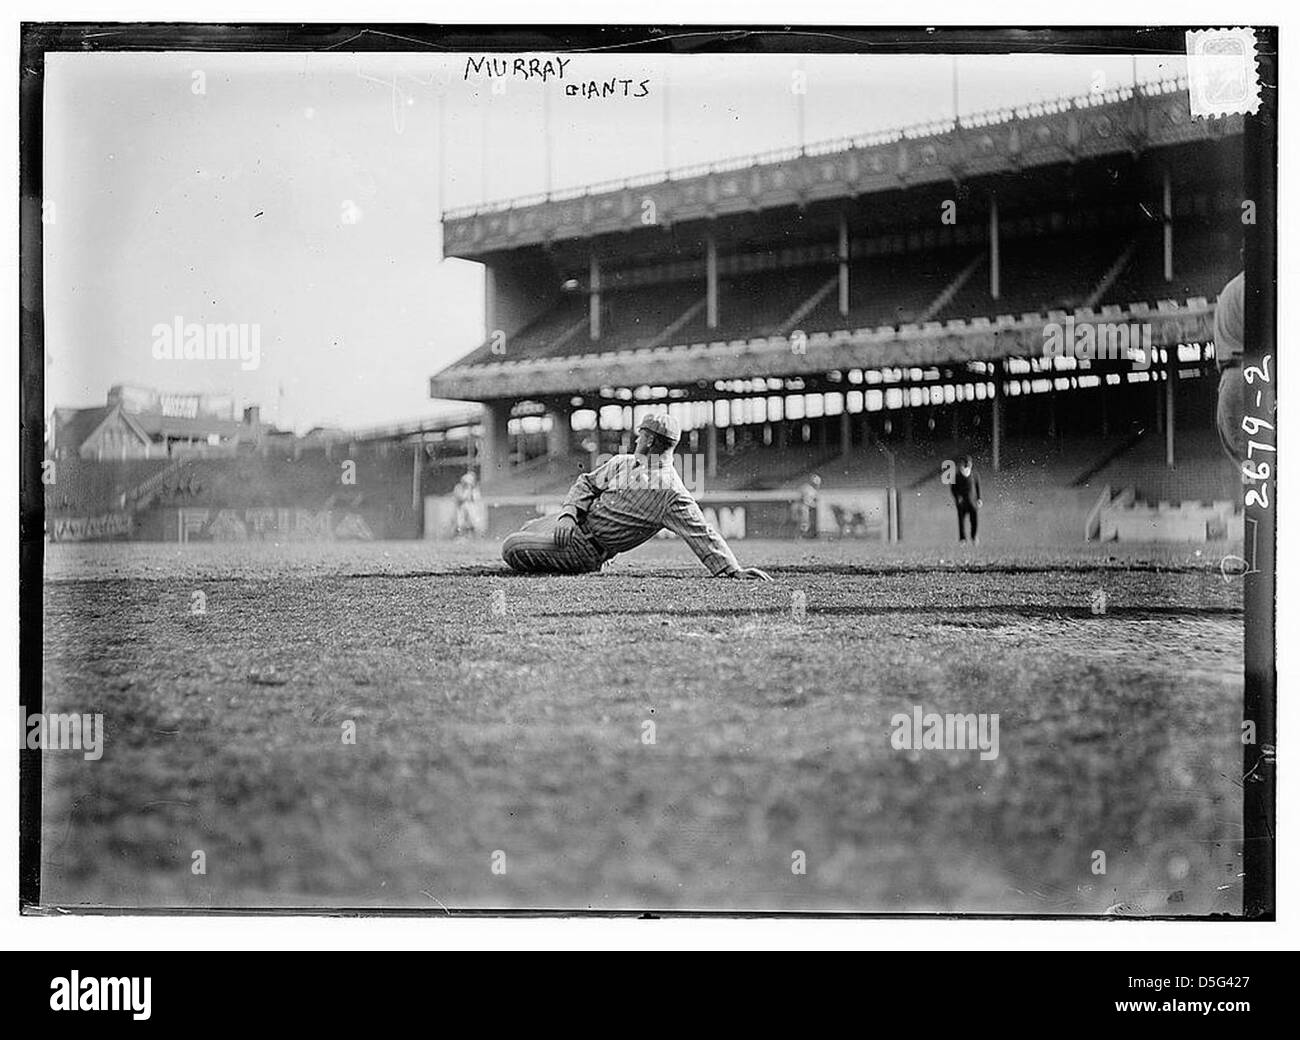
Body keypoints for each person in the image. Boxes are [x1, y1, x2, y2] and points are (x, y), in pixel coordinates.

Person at [501, 412, 770, 579]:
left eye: (641, 434)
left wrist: (732, 570)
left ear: (651, 440)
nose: (637, 439)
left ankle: (577, 564)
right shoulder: (623, 462)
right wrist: (569, 514)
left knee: (512, 546)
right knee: (527, 529)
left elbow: (703, 532)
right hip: (574, 525)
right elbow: (586, 483)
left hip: (588, 549)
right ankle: (556, 547)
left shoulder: (670, 492)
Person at [1213, 270, 1247, 466]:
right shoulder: (1255, 286)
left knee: (1252, 473)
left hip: (1229, 381)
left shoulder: (1231, 288)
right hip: (1250, 378)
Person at [951, 455, 982, 543]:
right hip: (962, 502)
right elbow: (953, 489)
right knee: (961, 521)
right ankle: (962, 538)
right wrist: (957, 498)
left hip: (972, 501)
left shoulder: (974, 474)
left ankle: (974, 536)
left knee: (974, 520)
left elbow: (977, 486)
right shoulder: (957, 475)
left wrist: (979, 498)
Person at [452, 471, 481, 537]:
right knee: (460, 523)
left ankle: (472, 536)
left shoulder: (474, 490)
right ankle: (460, 536)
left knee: (472, 522)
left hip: (471, 508)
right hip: (460, 508)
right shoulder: (458, 488)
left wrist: (470, 491)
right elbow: (459, 498)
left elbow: (475, 500)